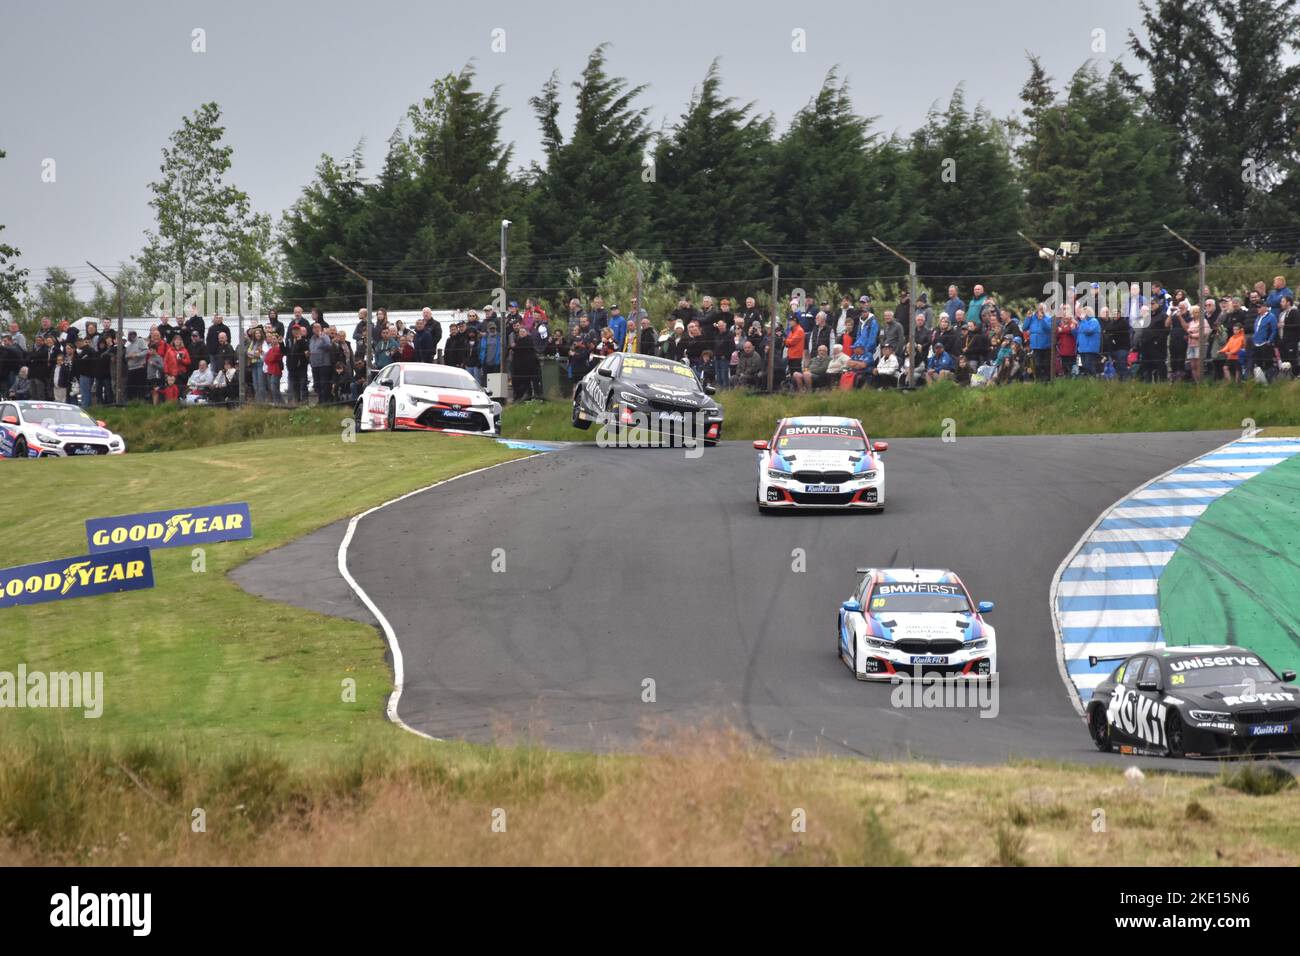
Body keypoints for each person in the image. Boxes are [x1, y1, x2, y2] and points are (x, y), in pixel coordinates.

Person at [263, 332, 284, 403]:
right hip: (270, 370)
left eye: (274, 339)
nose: (273, 340)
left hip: (276, 370)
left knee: (274, 388)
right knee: (273, 388)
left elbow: (273, 358)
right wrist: (270, 359)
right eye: (272, 339)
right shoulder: (270, 349)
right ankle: (279, 403)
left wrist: (270, 359)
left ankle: (279, 403)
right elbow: (266, 359)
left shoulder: (279, 349)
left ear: (277, 340)